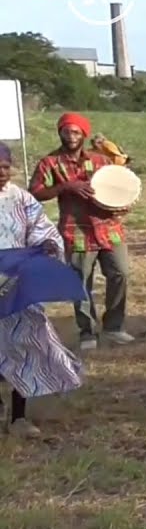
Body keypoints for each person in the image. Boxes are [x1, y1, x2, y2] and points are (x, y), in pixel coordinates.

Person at [29, 112, 134, 351]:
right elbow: (35, 192)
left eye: (76, 132)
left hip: (109, 228)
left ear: (84, 134)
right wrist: (65, 186)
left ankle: (114, 326)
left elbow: (118, 185)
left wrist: (123, 202)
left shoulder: (100, 161)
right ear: (60, 133)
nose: (71, 136)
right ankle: (87, 331)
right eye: (66, 131)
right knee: (81, 283)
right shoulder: (50, 163)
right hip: (75, 231)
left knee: (121, 273)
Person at [0, 142, 85, 438]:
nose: (2, 172)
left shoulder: (21, 199)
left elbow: (43, 229)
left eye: (5, 166)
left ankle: (19, 418)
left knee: (26, 348)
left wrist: (49, 245)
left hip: (17, 288)